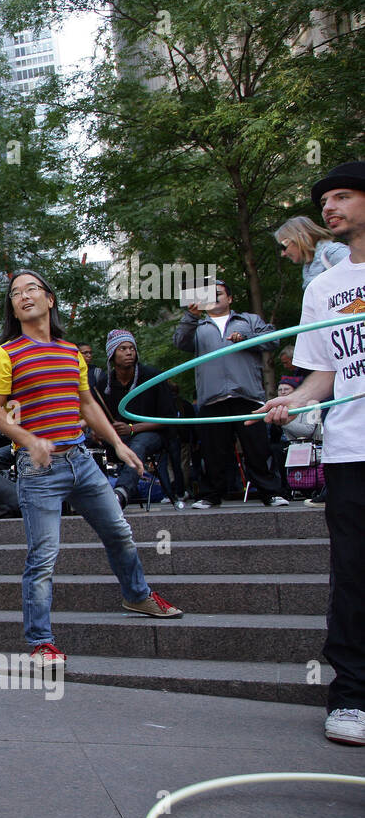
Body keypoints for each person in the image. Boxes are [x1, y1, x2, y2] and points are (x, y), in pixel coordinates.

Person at [0, 270, 183, 669]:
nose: (23, 296)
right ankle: (41, 642)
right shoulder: (5, 354)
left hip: (81, 460)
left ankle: (137, 594)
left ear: (49, 299)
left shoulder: (71, 352)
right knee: (43, 557)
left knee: (119, 531)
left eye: (32, 289)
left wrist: (118, 444)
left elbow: (87, 405)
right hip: (39, 469)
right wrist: (29, 440)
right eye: (15, 293)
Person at [257, 160, 365, 746]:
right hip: (351, 448)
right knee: (351, 576)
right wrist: (290, 402)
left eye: (343, 197)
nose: (329, 208)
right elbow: (322, 373)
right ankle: (350, 696)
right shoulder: (323, 287)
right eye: (325, 201)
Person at [172, 279, 287, 508]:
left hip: (248, 396)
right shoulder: (198, 325)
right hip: (212, 398)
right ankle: (210, 495)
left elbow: (273, 339)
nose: (215, 297)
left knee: (258, 449)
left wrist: (246, 339)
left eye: (220, 293)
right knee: (213, 452)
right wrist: (191, 316)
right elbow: (180, 342)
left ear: (230, 298)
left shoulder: (248, 320)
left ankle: (271, 492)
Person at [100, 329, 180, 508]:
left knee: (140, 443)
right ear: (112, 354)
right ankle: (88, 498)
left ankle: (121, 493)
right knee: (86, 442)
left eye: (131, 348)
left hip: (153, 434)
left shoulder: (153, 377)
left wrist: (132, 428)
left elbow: (169, 418)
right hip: (118, 437)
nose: (129, 352)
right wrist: (101, 431)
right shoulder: (105, 384)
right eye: (122, 349)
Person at [275, 215, 350, 288]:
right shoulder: (308, 269)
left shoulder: (334, 253)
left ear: (299, 238)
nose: (283, 254)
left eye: (283, 247)